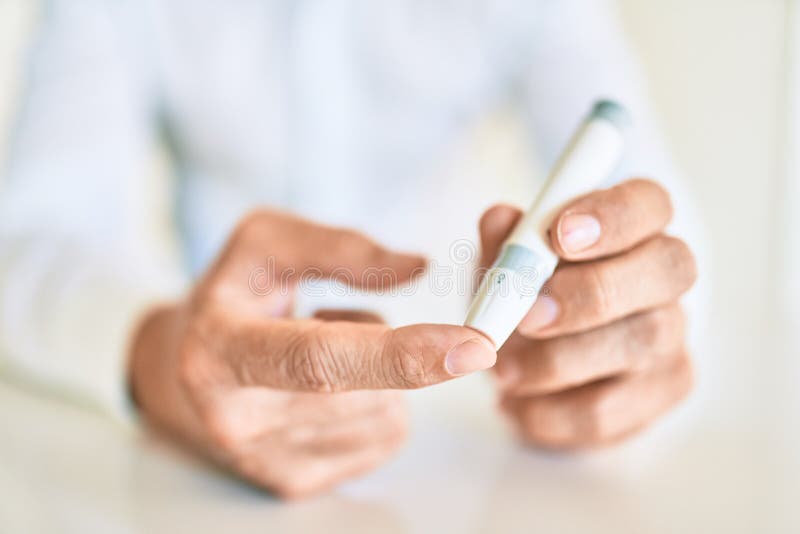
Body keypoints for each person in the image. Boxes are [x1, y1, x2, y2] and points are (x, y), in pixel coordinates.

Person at [0, 0, 698, 498]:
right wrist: (160, 354)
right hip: (199, 445)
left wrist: (610, 334)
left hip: (463, 442)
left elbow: (663, 242)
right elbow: (29, 240)